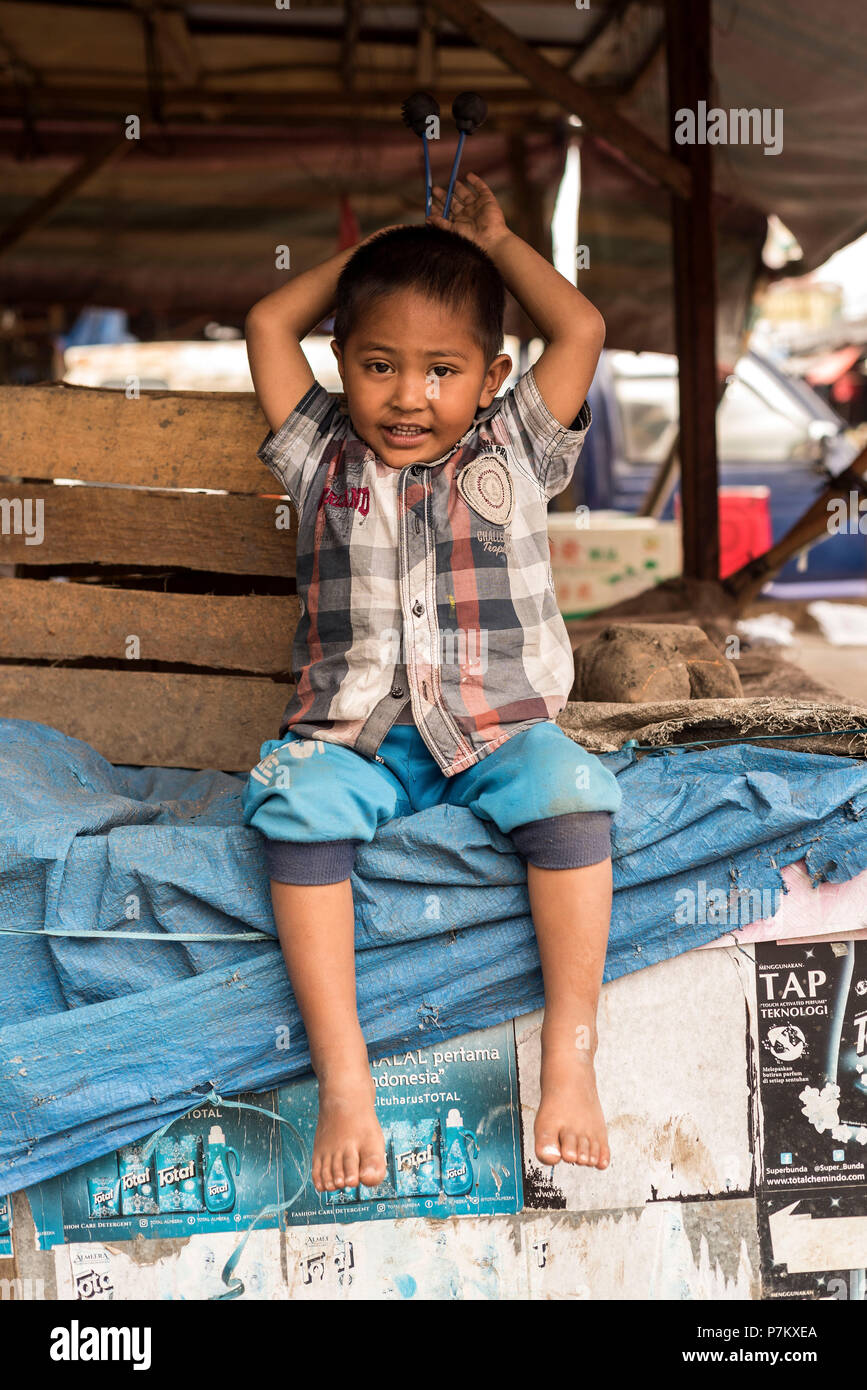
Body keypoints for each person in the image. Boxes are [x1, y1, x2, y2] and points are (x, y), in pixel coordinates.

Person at [242, 173, 621, 1194]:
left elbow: (578, 324)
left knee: (576, 799)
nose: (408, 396)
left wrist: (492, 242)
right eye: (378, 365)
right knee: (297, 816)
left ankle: (571, 1063)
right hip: (354, 735)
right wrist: (388, 247)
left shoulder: (518, 442)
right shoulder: (322, 450)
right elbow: (269, 315)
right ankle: (344, 1077)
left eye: (441, 369)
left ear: (492, 376)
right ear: (341, 366)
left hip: (499, 728)